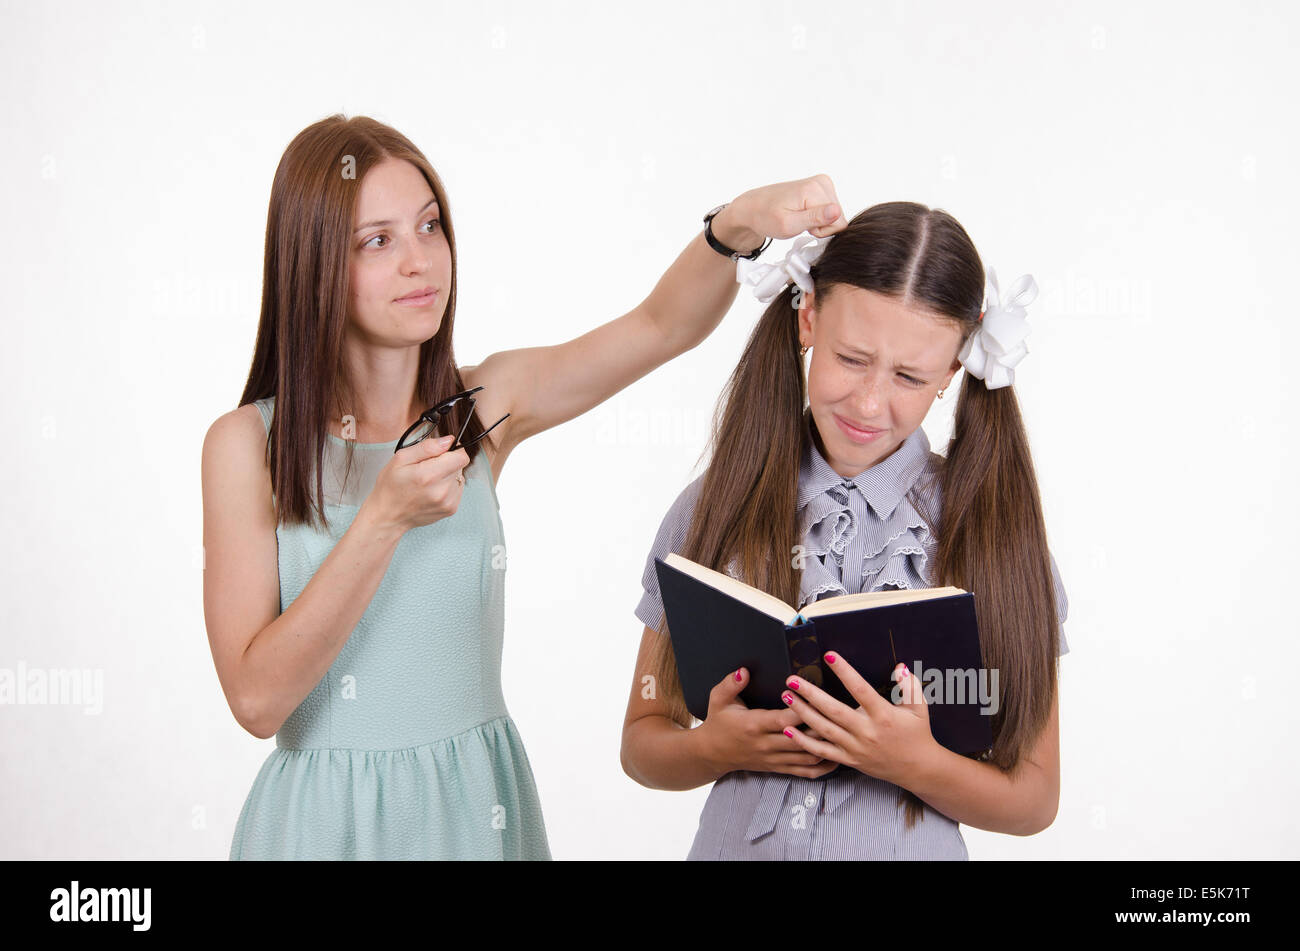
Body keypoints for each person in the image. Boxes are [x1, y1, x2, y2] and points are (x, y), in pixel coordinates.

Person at [200, 113, 847, 860]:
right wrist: (381, 520)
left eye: (429, 226)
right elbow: (255, 700)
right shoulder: (247, 444)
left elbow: (660, 326)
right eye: (377, 240)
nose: (421, 262)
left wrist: (737, 224)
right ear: (311, 263)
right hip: (323, 827)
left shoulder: (481, 409)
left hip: (476, 809)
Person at [620, 201, 1069, 860]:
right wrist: (712, 745)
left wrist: (914, 762)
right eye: (852, 358)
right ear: (808, 318)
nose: (867, 402)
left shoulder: (993, 537)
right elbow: (643, 738)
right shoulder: (714, 505)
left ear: (951, 372)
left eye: (909, 376)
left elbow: (1034, 797)